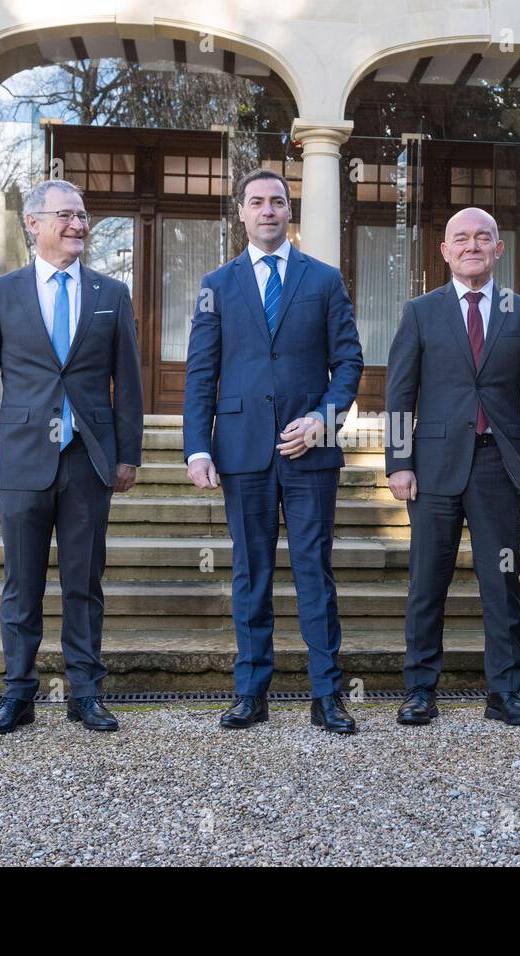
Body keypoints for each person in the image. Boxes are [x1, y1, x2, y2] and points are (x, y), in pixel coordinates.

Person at [0, 179, 144, 735]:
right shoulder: (2, 292)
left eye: (83, 216)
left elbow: (128, 383)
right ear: (33, 224)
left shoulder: (111, 294)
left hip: (88, 457)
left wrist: (127, 453)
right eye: (65, 215)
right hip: (21, 458)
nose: (78, 225)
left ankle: (85, 693)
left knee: (85, 582)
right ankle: (18, 695)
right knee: (22, 583)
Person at [183, 169, 364, 734]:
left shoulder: (325, 279)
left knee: (315, 570)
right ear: (241, 212)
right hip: (241, 451)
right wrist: (196, 447)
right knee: (251, 573)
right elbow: (200, 372)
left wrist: (322, 419)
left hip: (310, 452)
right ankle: (251, 693)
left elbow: (350, 364)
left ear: (291, 212)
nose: (268, 210)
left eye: (278, 202)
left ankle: (327, 695)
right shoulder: (217, 282)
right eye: (257, 202)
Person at [385, 207, 520, 727]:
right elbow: (399, 395)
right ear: (445, 250)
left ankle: (505, 693)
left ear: (498, 249)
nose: (472, 246)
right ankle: (419, 691)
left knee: (501, 581)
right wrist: (399, 462)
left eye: (483, 238)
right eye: (460, 238)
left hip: (497, 468)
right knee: (426, 582)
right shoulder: (420, 311)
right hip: (433, 470)